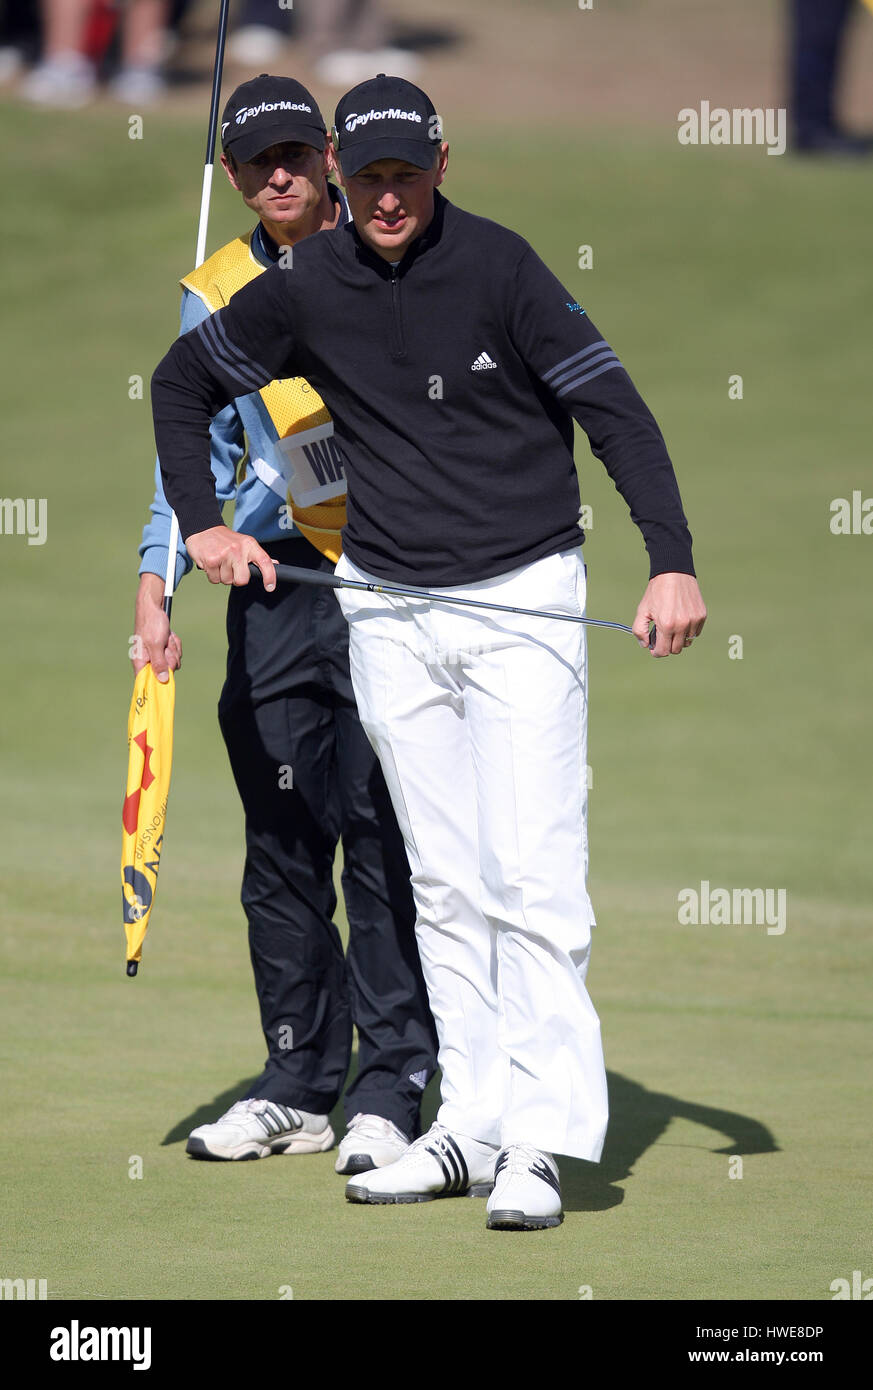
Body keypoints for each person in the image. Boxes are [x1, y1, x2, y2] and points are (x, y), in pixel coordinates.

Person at [150, 74, 707, 1230]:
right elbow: (183, 379)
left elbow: (616, 410)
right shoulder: (305, 282)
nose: (389, 194)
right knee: (446, 881)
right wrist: (200, 523)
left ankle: (544, 1143)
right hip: (388, 604)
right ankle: (470, 1125)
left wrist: (671, 556)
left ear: (443, 165)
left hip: (522, 597)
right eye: (371, 177)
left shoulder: (503, 267)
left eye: (408, 173)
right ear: (345, 185)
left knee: (534, 877)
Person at [135, 74, 437, 1173]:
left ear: (329, 159)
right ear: (232, 175)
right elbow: (189, 453)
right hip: (274, 588)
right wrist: (160, 571)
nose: (279, 177)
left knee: (380, 830)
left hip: (392, 579)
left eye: (296, 157)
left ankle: (394, 1080)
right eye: (257, 161)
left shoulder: (391, 257)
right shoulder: (214, 289)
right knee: (282, 835)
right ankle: (299, 1078)